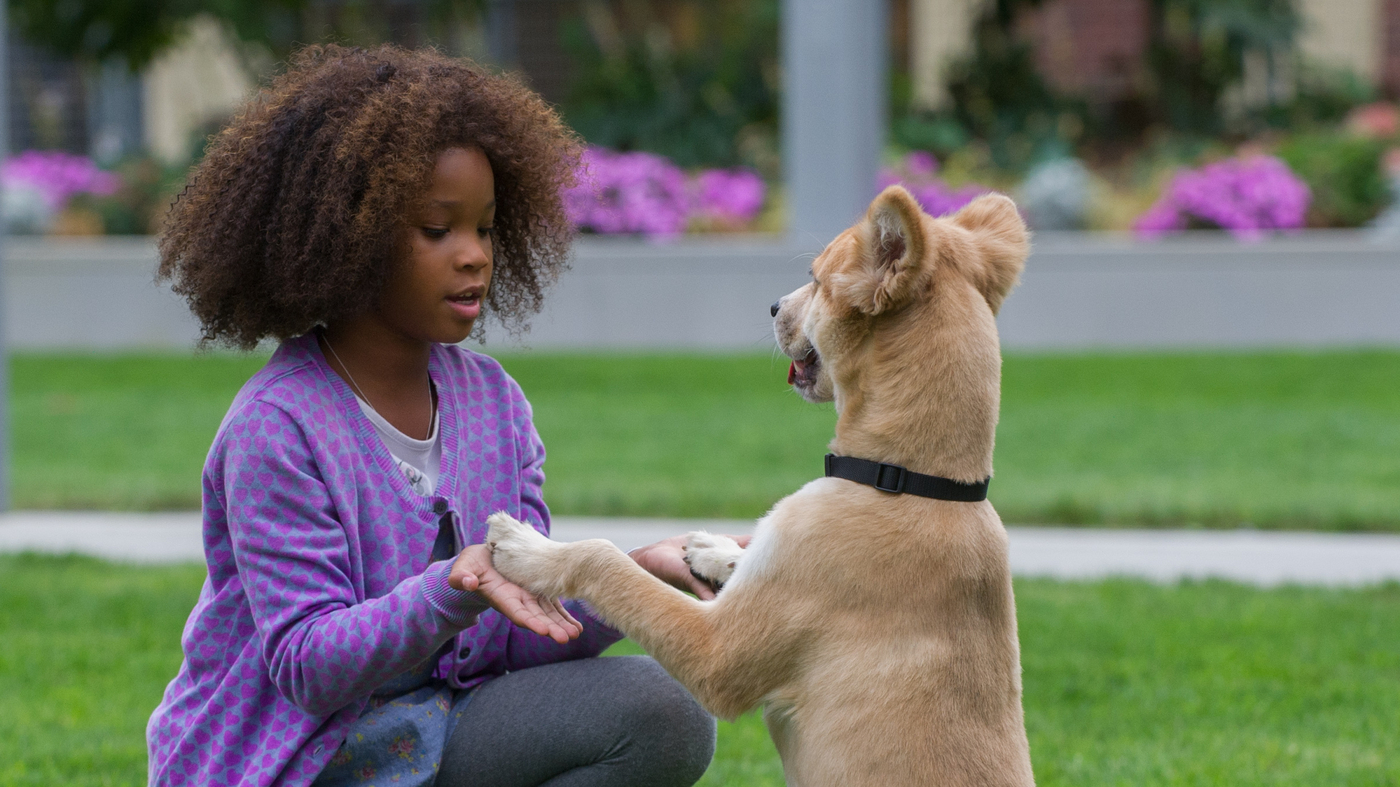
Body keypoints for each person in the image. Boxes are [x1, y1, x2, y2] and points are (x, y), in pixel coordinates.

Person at [148, 44, 726, 787]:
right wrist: (452, 584)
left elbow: (522, 636)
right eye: (437, 229)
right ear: (348, 235)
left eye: (484, 228)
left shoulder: (495, 403)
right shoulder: (277, 427)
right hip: (292, 760)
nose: (474, 256)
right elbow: (306, 665)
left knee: (667, 710)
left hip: (434, 729)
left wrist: (636, 574)